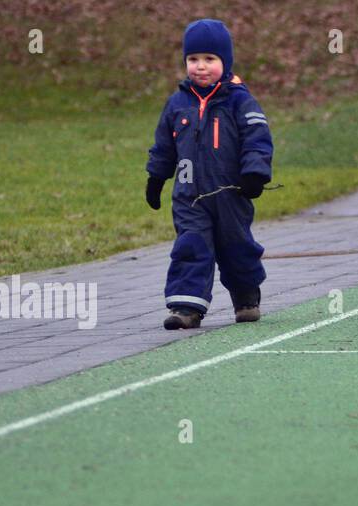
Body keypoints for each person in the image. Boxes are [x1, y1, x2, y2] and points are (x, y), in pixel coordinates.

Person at [145, 19, 274, 330]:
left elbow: (258, 139)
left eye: (209, 59)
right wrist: (156, 178)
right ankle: (186, 307)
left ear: (225, 62)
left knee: (236, 247)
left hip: (231, 193)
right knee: (190, 245)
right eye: (193, 59)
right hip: (189, 195)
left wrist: (255, 173)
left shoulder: (239, 101)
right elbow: (164, 145)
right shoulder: (177, 104)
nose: (200, 67)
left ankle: (246, 297)